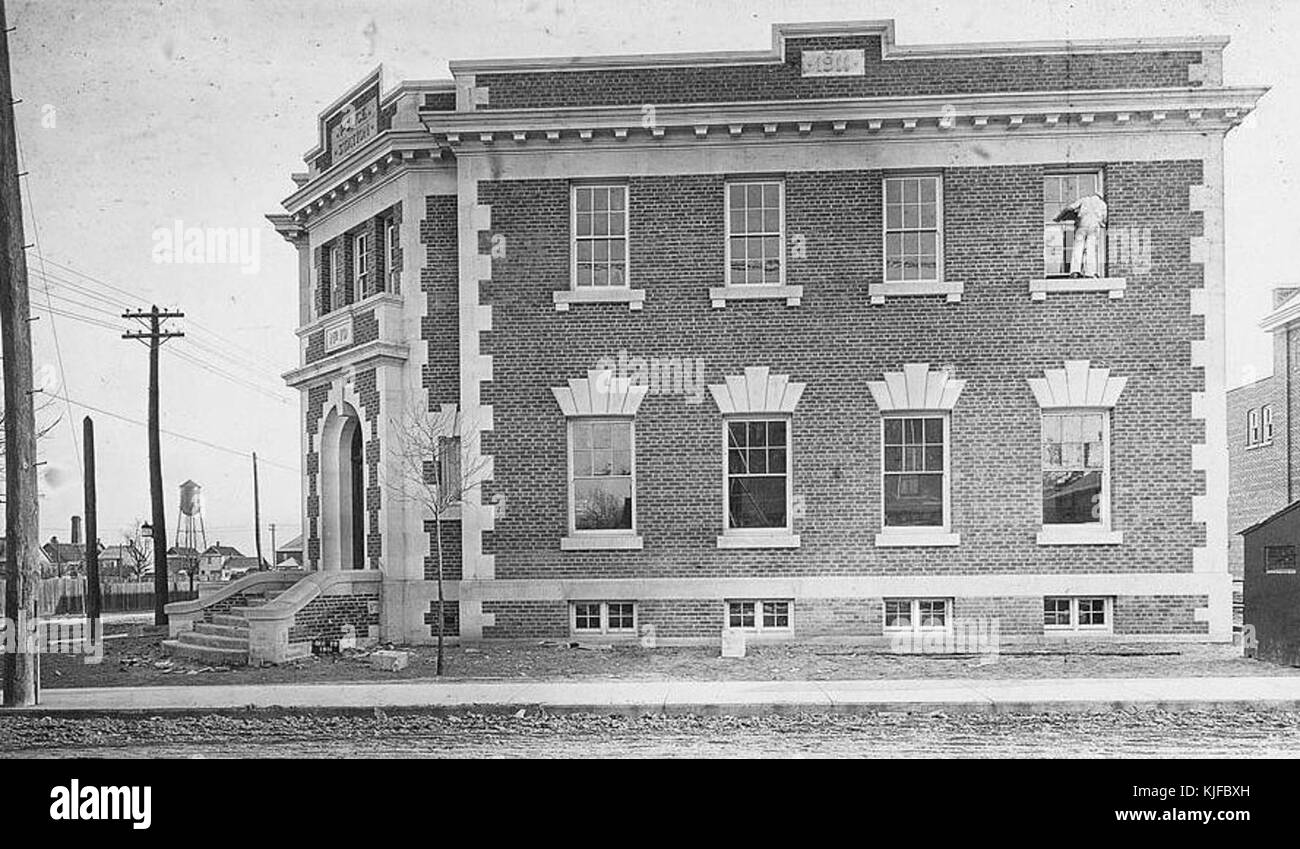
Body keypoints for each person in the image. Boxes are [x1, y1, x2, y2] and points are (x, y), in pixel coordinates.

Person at [1054, 192, 1108, 277]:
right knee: (1091, 250)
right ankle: (1089, 272)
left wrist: (1059, 218)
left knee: (1077, 249)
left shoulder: (1084, 200)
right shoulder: (1103, 205)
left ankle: (1075, 271)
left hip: (1082, 226)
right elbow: (1105, 220)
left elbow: (1069, 208)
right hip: (1094, 228)